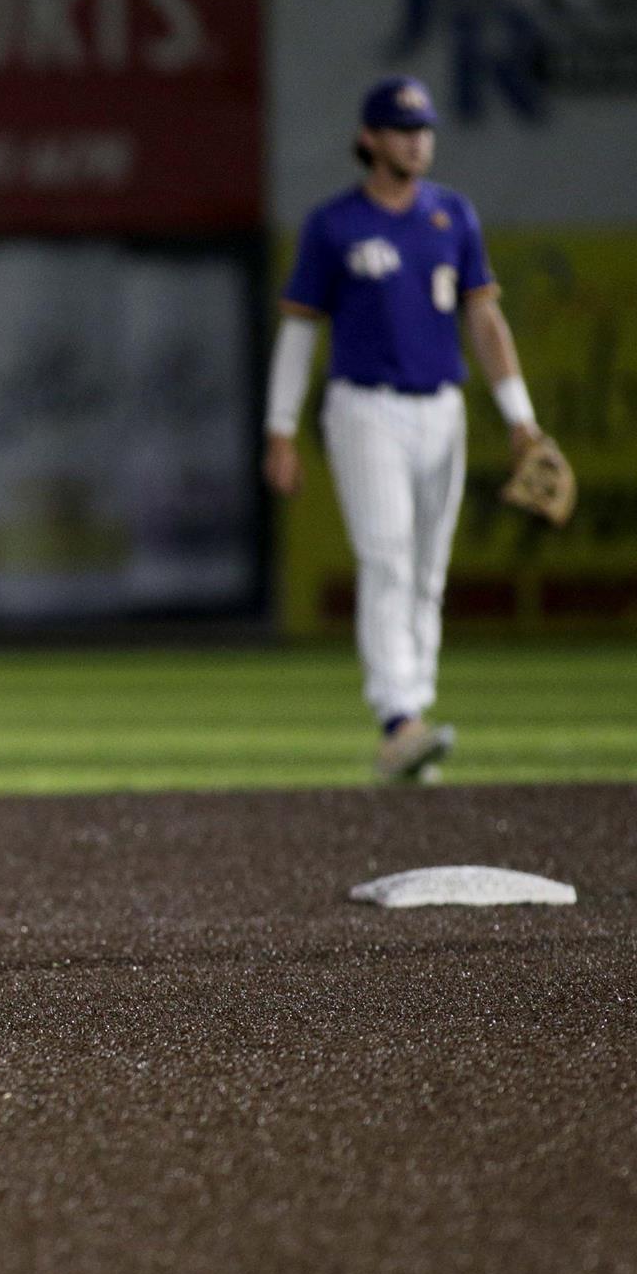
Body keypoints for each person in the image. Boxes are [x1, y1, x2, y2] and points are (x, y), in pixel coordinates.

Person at [263, 75, 545, 782]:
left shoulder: (453, 216)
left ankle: (413, 717)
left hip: (440, 408)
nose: (417, 139)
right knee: (386, 558)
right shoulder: (334, 225)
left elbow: (484, 317)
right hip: (364, 407)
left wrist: (522, 420)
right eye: (401, 127)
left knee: (426, 571)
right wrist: (280, 428)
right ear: (369, 139)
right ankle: (399, 716)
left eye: (423, 128)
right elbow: (300, 329)